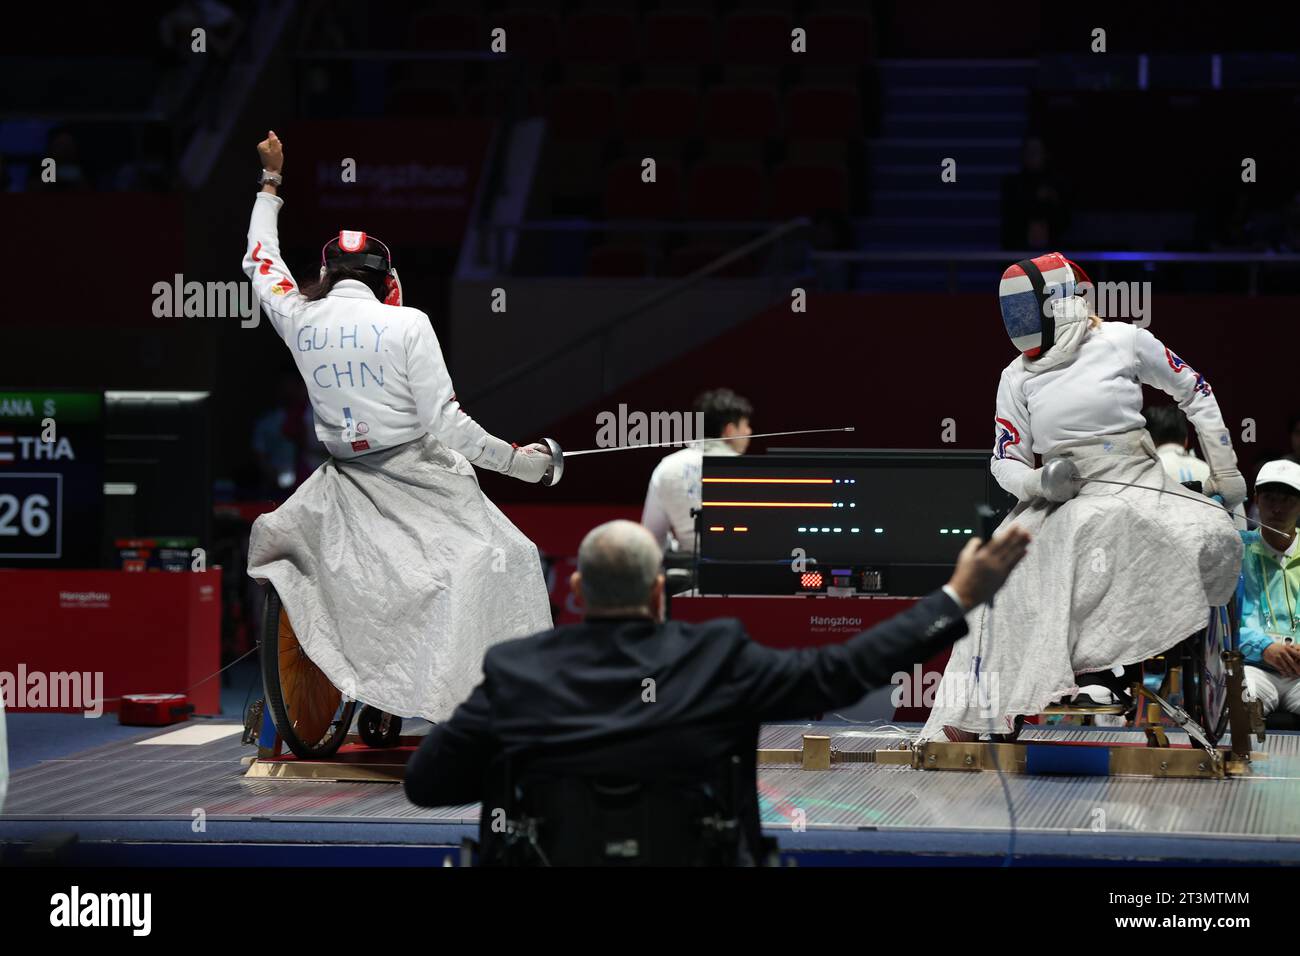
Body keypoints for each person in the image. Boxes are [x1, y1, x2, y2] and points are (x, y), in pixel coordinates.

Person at [404, 519, 1030, 864]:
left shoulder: (517, 672)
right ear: (658, 594)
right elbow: (845, 669)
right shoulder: (715, 658)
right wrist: (957, 597)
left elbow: (427, 784)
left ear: (577, 596)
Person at [242, 131, 554, 722]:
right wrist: (523, 464)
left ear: (330, 273)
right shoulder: (408, 323)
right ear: (387, 281)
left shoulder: (299, 317)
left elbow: (261, 261)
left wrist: (271, 182)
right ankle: (495, 706)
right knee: (510, 556)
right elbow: (450, 425)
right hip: (420, 481)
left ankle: (401, 689)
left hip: (339, 486)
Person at [922, 252, 1245, 741]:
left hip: (1131, 479)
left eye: (1025, 309)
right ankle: (979, 710)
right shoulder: (1016, 377)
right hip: (1057, 493)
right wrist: (1038, 483)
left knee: (1091, 528)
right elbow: (1004, 459)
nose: (1018, 323)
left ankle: (1099, 671)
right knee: (996, 573)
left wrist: (1227, 472)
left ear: (1056, 301)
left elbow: (1195, 390)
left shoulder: (1122, 340)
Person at [641, 388, 753, 554]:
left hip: (686, 574)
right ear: (729, 430)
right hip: (743, 571)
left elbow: (652, 537)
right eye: (745, 425)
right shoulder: (749, 469)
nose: (749, 431)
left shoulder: (668, 466)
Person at [1240, 460, 1300, 718]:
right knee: (1241, 702)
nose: (1277, 508)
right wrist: (1262, 647)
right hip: (1253, 667)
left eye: (1287, 500)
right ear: (1256, 499)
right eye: (1269, 498)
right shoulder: (1235, 551)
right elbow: (1220, 628)